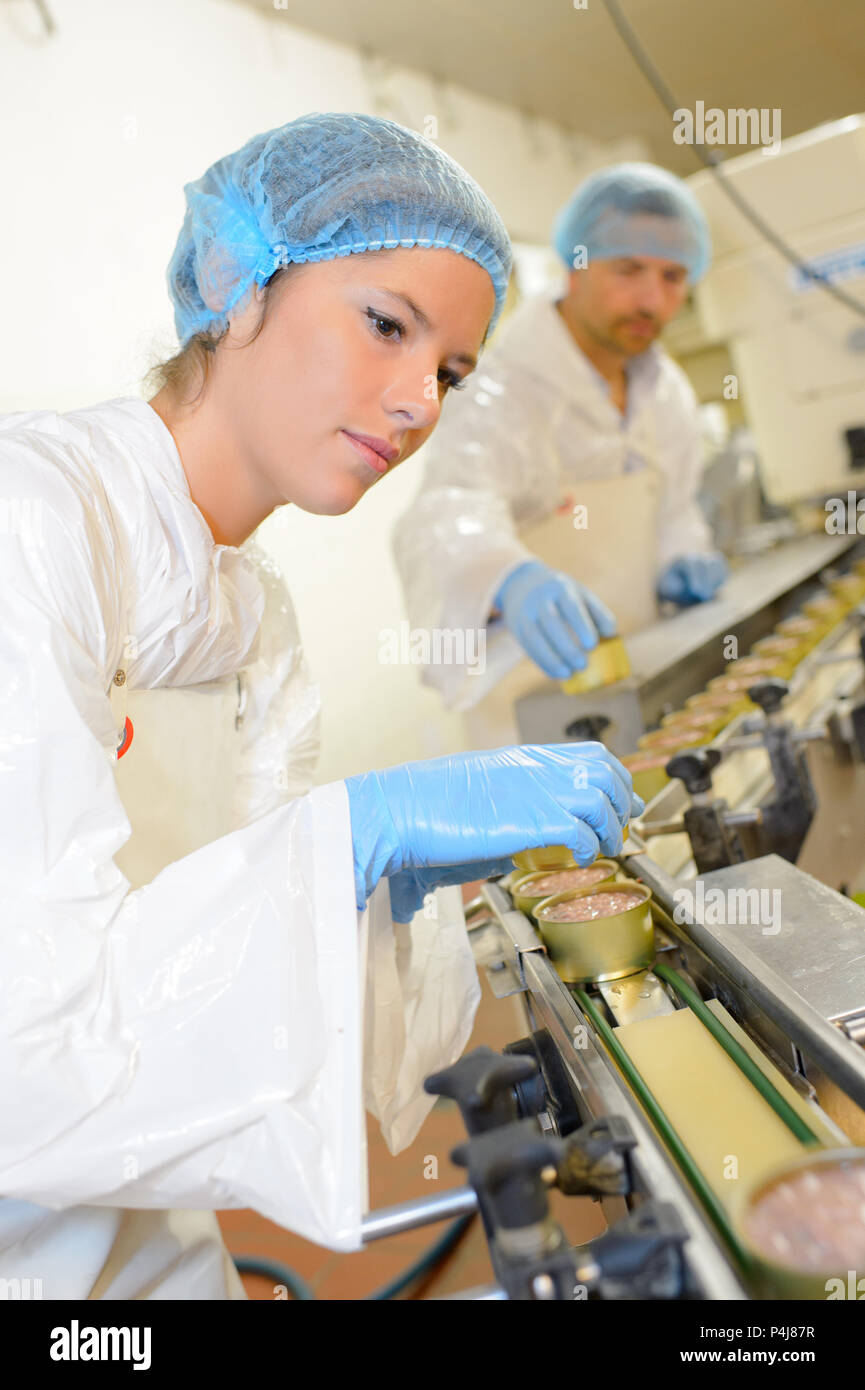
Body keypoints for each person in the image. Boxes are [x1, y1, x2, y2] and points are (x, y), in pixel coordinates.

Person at [0, 113, 640, 1300]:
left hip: (144, 1238)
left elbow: (225, 973)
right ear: (231, 282)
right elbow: (24, 1049)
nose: (417, 406)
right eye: (385, 324)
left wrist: (388, 891)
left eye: (449, 371)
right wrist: (357, 833)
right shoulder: (29, 522)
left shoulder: (251, 620)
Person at [393, 162, 729, 746]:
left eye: (673, 277)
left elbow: (676, 509)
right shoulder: (504, 385)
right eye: (629, 269)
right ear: (575, 266)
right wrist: (508, 578)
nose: (652, 299)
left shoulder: (666, 389)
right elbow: (447, 511)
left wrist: (683, 556)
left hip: (644, 682)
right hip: (530, 714)